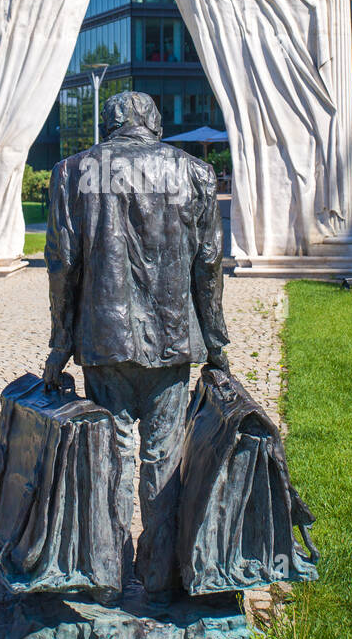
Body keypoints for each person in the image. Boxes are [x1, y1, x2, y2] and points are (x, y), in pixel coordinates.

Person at [43, 90, 229, 604]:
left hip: (105, 340)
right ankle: (162, 578)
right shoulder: (192, 172)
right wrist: (216, 345)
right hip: (172, 341)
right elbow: (209, 264)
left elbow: (63, 264)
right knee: (164, 460)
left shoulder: (72, 172)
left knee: (109, 456)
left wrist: (59, 345)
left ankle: (106, 577)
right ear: (155, 122)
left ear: (110, 123)